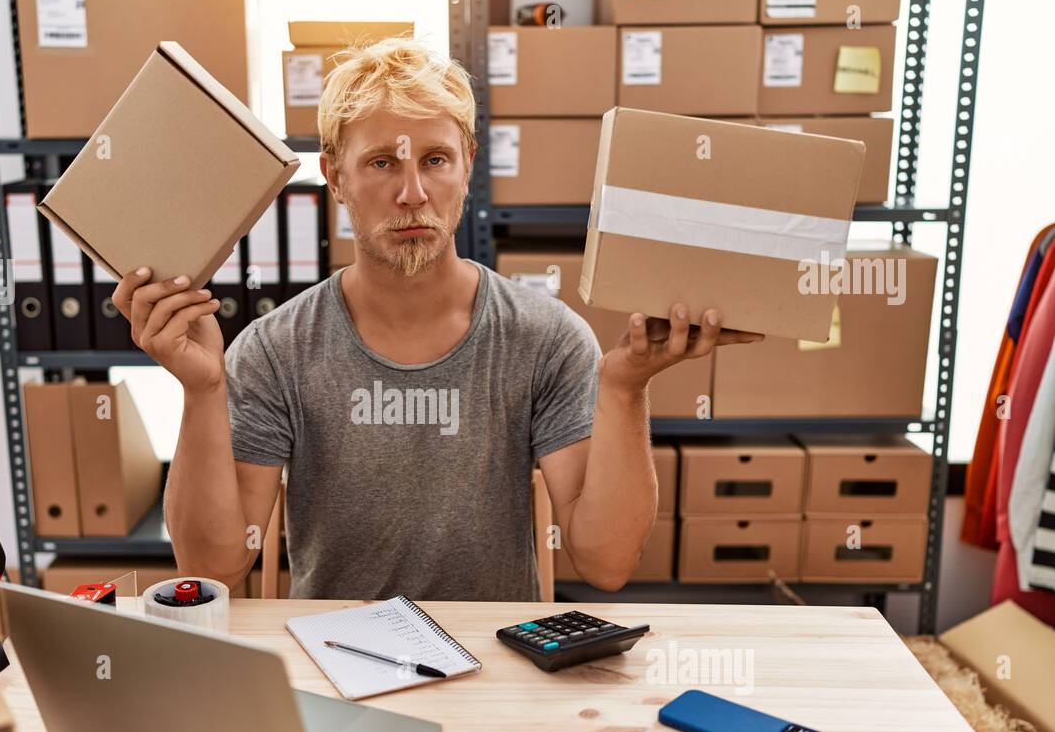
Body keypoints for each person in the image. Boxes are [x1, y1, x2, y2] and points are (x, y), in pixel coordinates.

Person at [112, 37, 762, 601]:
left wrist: (625, 387)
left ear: (468, 166)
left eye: (434, 160)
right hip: (334, 655)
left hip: (497, 662)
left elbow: (606, 563)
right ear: (334, 177)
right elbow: (212, 567)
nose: (412, 193)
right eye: (382, 163)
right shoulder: (275, 350)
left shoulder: (546, 338)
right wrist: (202, 392)